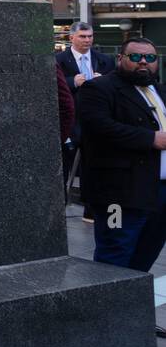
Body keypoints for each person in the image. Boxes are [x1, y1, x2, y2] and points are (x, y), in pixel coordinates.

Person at [76, 38, 166, 271]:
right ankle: (108, 306)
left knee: (146, 255)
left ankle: (132, 304)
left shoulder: (158, 89)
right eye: (135, 57)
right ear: (120, 58)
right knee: (114, 257)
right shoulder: (98, 88)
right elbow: (98, 127)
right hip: (120, 194)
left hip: (160, 191)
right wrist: (150, 138)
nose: (143, 62)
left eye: (150, 58)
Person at [57, 21, 116, 193]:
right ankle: (61, 203)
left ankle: (90, 210)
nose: (87, 40)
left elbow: (116, 86)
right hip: (70, 121)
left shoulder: (104, 60)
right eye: (83, 36)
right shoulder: (57, 60)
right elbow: (49, 87)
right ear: (72, 37)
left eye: (90, 36)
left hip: (96, 119)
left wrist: (103, 82)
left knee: (94, 167)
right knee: (64, 165)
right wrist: (72, 82)